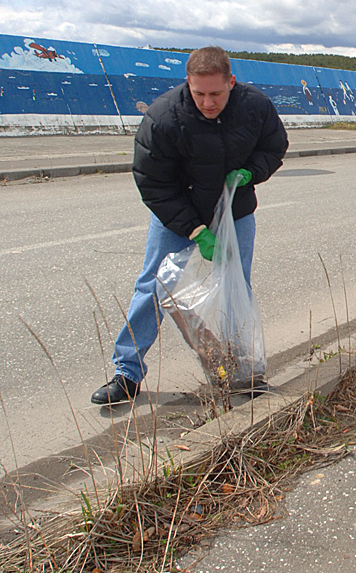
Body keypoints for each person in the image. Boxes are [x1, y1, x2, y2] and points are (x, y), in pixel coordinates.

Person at [91, 46, 289, 405]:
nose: (208, 103)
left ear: (231, 81)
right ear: (188, 83)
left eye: (216, 93)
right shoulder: (164, 117)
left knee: (234, 289)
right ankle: (127, 372)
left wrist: (251, 173)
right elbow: (154, 184)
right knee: (153, 287)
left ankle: (239, 372)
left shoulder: (255, 106)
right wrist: (196, 231)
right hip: (177, 216)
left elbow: (274, 146)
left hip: (234, 214)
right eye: (199, 93)